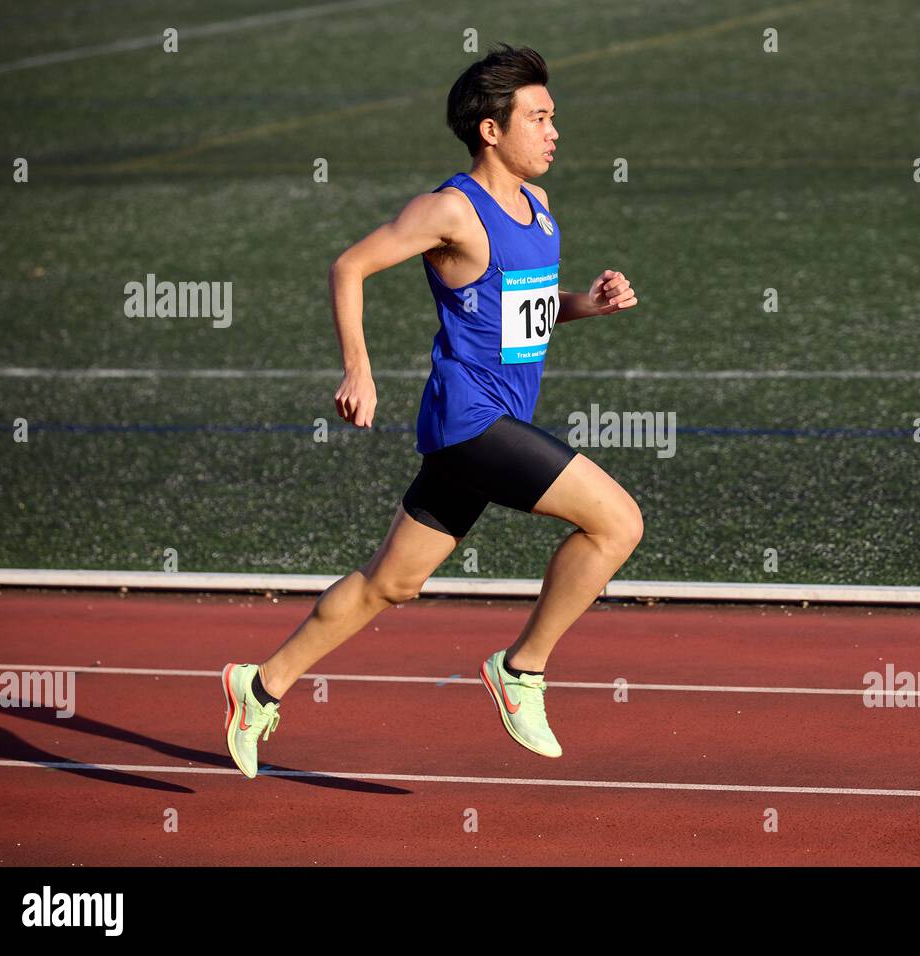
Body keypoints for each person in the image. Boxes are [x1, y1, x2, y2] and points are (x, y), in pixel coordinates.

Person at [221, 44, 641, 777]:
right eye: (538, 117)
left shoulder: (538, 208)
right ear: (490, 129)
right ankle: (523, 670)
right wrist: (359, 368)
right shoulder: (449, 210)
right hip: (470, 421)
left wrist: (587, 305)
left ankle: (259, 685)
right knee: (617, 522)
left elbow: (523, 316)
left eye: (553, 117)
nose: (554, 131)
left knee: (392, 582)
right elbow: (349, 266)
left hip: (497, 418)